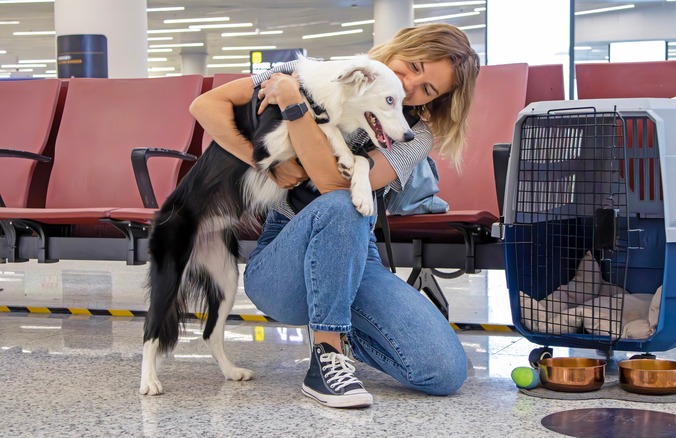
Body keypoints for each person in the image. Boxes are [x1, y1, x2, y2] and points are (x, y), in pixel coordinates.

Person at [189, 23, 480, 409]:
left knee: (444, 372)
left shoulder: (415, 136)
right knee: (347, 205)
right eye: (412, 66)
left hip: (356, 255)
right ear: (399, 48)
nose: (409, 86)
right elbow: (205, 105)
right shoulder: (314, 72)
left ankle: (341, 329)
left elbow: (331, 185)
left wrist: (294, 105)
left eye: (427, 89)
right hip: (283, 255)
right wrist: (264, 164)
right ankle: (326, 360)